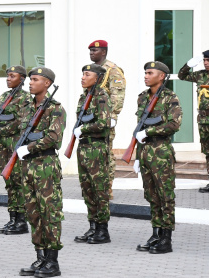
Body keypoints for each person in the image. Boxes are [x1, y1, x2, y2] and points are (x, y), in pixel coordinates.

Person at [15, 67, 66, 278]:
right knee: (33, 213)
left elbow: (54, 138)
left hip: (45, 165)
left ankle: (52, 261)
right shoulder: (27, 107)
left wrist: (29, 147)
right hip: (27, 166)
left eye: (35, 79)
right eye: (30, 79)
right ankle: (40, 256)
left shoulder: (56, 109)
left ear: (47, 83)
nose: (30, 82)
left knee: (49, 213)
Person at [134, 61, 182, 254]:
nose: (145, 76)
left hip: (161, 152)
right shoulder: (142, 98)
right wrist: (137, 155)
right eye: (145, 72)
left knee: (165, 196)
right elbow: (139, 129)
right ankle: (156, 233)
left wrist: (150, 131)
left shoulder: (170, 98)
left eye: (149, 73)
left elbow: (174, 124)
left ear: (161, 76)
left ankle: (166, 238)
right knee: (151, 195)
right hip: (145, 152)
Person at [73, 64, 113, 244]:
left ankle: (103, 230)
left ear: (97, 78)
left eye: (87, 74)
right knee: (87, 189)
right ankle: (93, 226)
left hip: (96, 148)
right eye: (82, 74)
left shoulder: (101, 97)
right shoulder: (84, 97)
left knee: (99, 189)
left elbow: (104, 123)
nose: (82, 77)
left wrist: (84, 129)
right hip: (83, 148)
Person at [0, 65, 33, 235]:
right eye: (7, 76)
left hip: (14, 144)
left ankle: (21, 220)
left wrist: (0, 130)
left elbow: (21, 122)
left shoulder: (25, 99)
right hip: (2, 145)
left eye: (12, 76)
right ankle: (12, 218)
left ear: (22, 79)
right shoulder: (4, 96)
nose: (8, 78)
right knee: (9, 183)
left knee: (18, 182)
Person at [88, 40, 125, 190]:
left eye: (94, 50)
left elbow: (118, 94)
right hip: (92, 118)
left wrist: (113, 116)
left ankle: (107, 187)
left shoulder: (112, 70)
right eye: (90, 50)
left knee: (105, 153)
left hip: (105, 118)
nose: (91, 53)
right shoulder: (92, 70)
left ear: (103, 52)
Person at [178, 49, 209, 193]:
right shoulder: (201, 75)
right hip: (203, 120)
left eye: (208, 61)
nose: (206, 63)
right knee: (208, 152)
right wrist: (188, 65)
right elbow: (181, 75)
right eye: (205, 61)